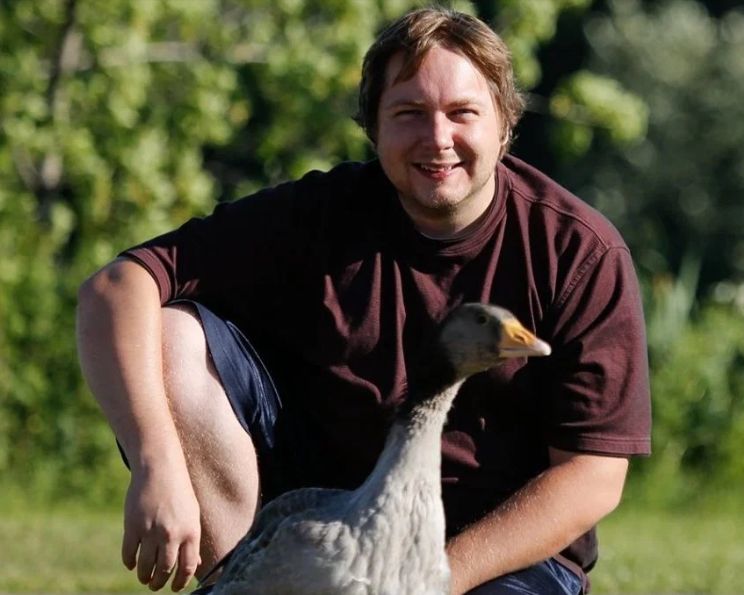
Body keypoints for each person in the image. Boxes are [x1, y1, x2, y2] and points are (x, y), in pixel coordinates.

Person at [76, 7, 650, 595]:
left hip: (492, 559)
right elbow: (116, 288)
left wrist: (429, 582)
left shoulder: (579, 252)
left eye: (463, 114)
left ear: (505, 125)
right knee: (172, 336)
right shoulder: (317, 214)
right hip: (323, 532)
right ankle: (241, 585)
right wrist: (157, 461)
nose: (437, 139)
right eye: (408, 114)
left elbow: (592, 476)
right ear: (372, 127)